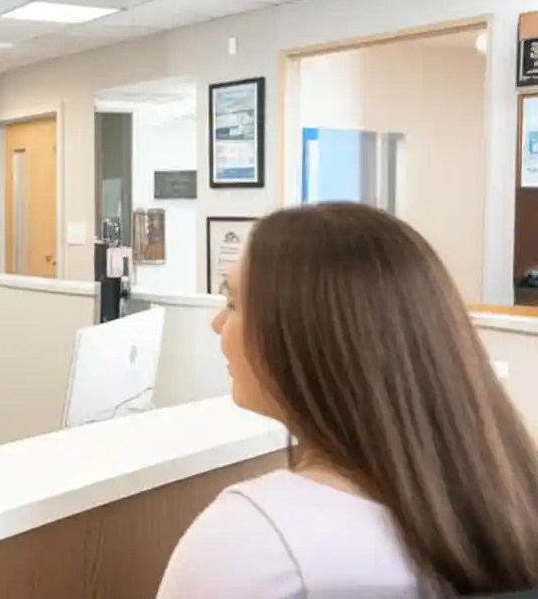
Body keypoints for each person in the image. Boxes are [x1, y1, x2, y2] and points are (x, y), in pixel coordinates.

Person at [158, 203, 538, 597]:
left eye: (233, 304)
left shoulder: (251, 541)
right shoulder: (507, 499)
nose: (217, 324)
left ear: (306, 338)